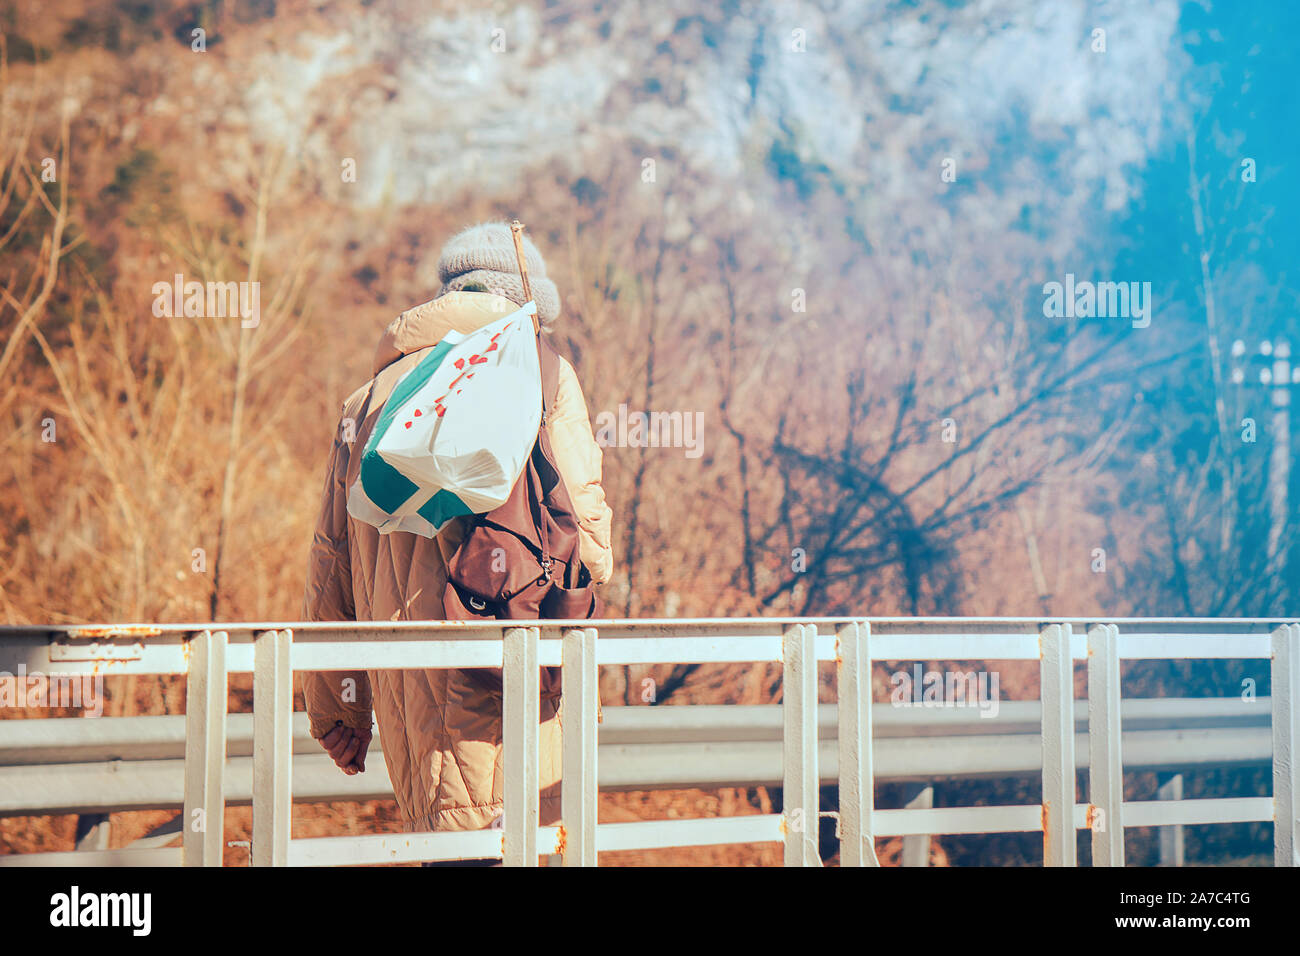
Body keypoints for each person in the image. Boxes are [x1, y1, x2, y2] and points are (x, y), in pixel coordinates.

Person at [300, 222, 614, 852]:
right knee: (517, 839)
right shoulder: (538, 371)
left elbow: (330, 564)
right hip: (510, 678)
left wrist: (338, 710)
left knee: (448, 847)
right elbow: (589, 541)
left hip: (406, 690)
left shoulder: (367, 403)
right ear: (527, 299)